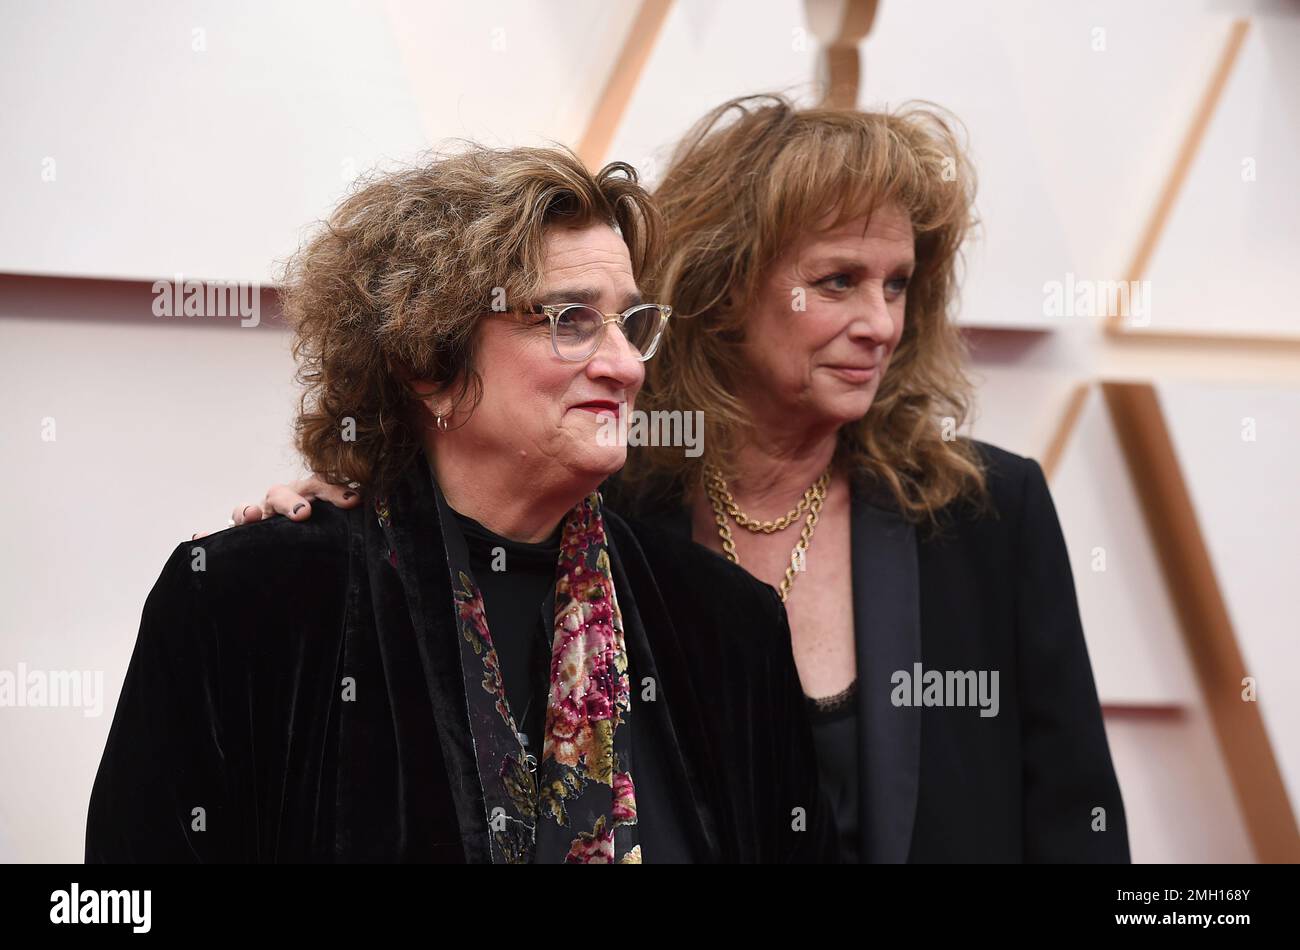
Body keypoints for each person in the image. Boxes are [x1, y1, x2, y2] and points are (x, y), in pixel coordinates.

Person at [226, 95, 1130, 863]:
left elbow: (1076, 820)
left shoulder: (984, 510)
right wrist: (346, 498)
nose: (878, 322)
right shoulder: (606, 501)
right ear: (728, 284)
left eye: (898, 285)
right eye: (839, 280)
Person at [87, 144, 836, 864]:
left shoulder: (726, 629)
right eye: (569, 320)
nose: (621, 365)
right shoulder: (249, 601)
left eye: (631, 324)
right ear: (429, 361)